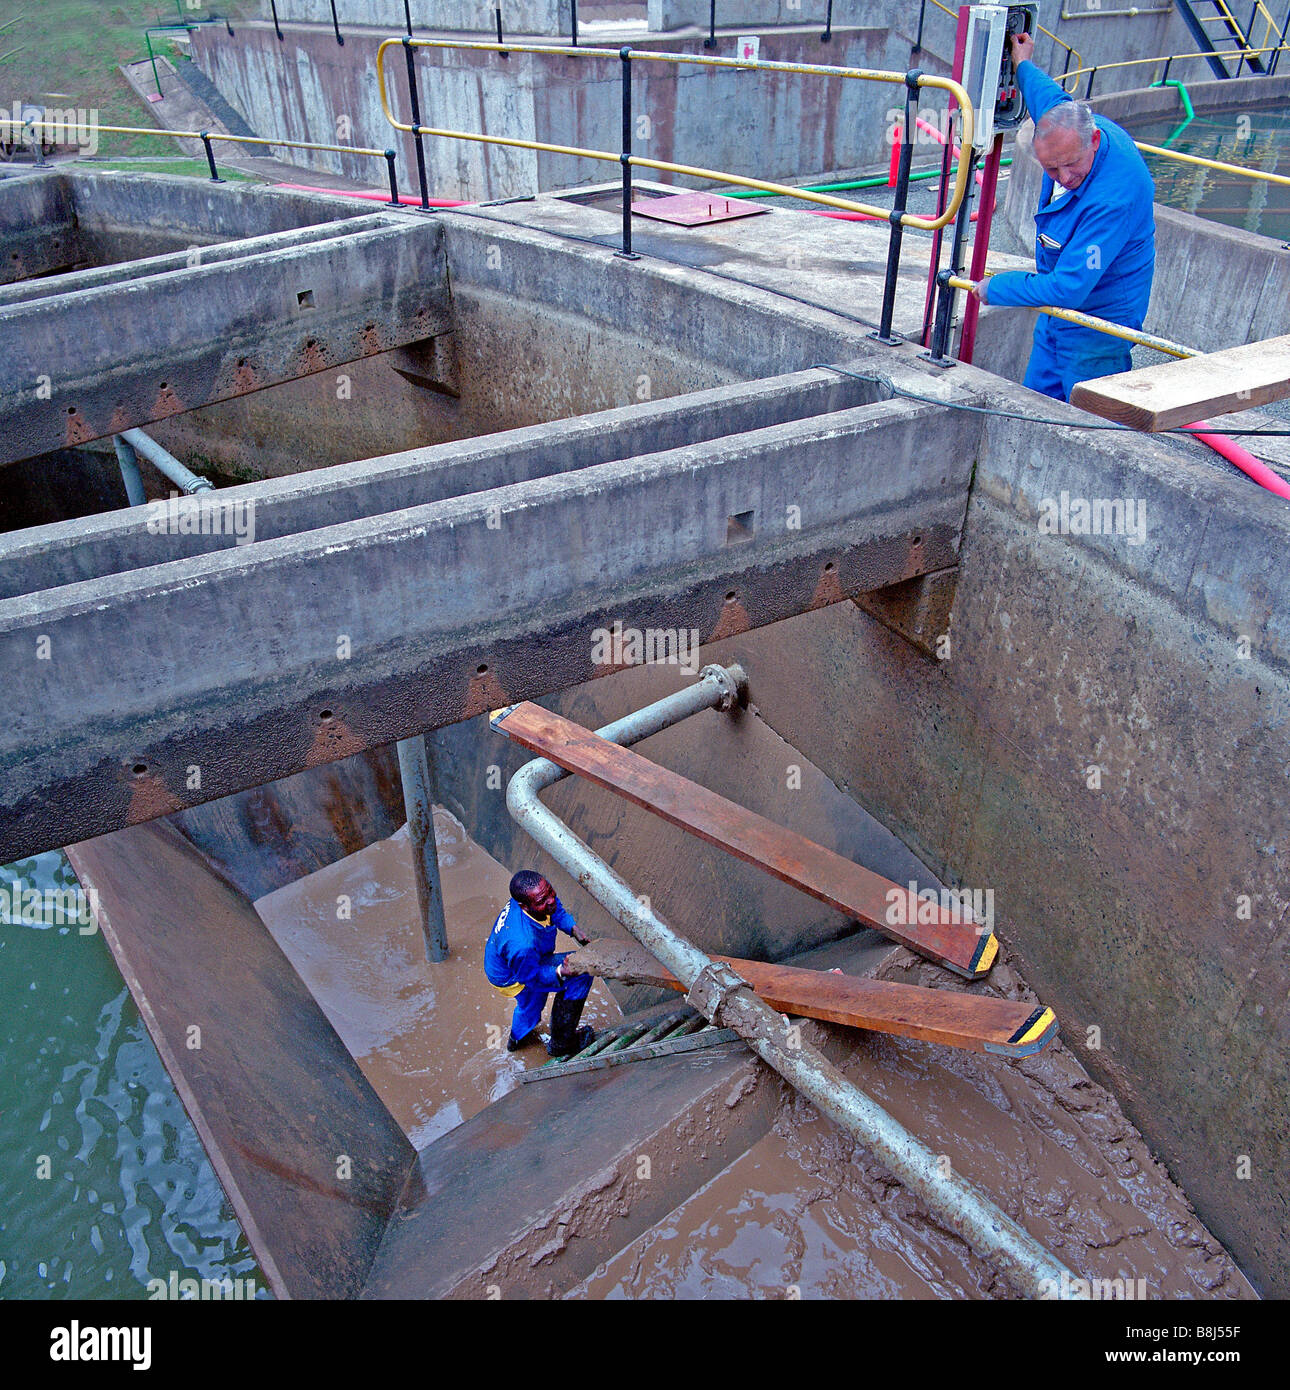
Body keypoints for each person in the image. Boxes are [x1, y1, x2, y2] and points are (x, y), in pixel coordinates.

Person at [970, 30, 1155, 402]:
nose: (1065, 178)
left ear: (1095, 141)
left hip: (1099, 327)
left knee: (1085, 418)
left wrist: (996, 287)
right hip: (1059, 315)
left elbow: (1070, 287)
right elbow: (1044, 95)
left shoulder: (1112, 198)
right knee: (1035, 402)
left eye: (1072, 166)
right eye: (1052, 170)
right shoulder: (1064, 125)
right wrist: (1021, 60)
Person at [484, 870, 596, 1057]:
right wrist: (560, 972)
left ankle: (525, 1039)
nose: (550, 900)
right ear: (525, 906)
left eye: (550, 892)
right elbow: (531, 978)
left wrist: (573, 928)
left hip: (513, 959)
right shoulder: (523, 944)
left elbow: (555, 909)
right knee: (533, 1005)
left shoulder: (536, 899)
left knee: (535, 1002)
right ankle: (555, 1044)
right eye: (542, 901)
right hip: (511, 975)